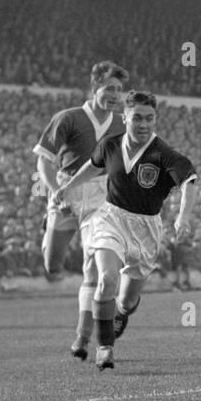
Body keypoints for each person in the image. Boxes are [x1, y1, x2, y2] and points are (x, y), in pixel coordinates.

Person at [51, 90, 197, 369]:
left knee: (128, 299)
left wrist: (183, 217)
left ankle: (121, 311)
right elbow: (92, 167)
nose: (144, 124)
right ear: (125, 117)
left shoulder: (164, 154)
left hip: (147, 229)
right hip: (111, 218)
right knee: (106, 278)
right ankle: (105, 347)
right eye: (138, 118)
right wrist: (68, 188)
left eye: (150, 118)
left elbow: (189, 183)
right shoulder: (110, 145)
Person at [32, 61, 128, 357]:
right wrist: (56, 192)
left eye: (120, 90)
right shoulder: (68, 118)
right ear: (95, 87)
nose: (115, 95)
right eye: (109, 88)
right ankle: (48, 231)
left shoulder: (121, 124)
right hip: (67, 190)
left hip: (101, 197)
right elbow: (44, 160)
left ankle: (82, 339)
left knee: (94, 272)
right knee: (52, 266)